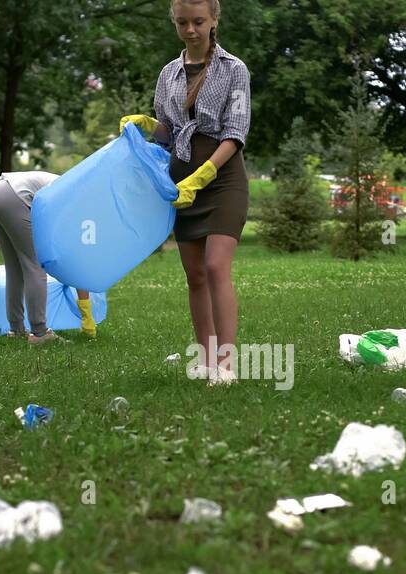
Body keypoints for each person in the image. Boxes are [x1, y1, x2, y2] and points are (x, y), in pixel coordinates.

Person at [119, 0, 251, 384]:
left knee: (215, 267)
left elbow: (236, 131)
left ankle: (226, 366)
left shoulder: (234, 70)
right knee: (194, 275)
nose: (190, 30)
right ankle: (206, 360)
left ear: (213, 20)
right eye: (182, 23)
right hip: (180, 180)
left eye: (198, 22)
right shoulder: (169, 73)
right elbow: (167, 133)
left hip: (222, 176)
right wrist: (146, 125)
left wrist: (204, 174)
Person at [0, 171, 97, 342]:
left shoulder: (70, 187)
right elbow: (74, 257)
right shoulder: (75, 201)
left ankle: (16, 329)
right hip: (12, 196)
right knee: (34, 265)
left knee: (15, 268)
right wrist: (86, 312)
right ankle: (40, 333)